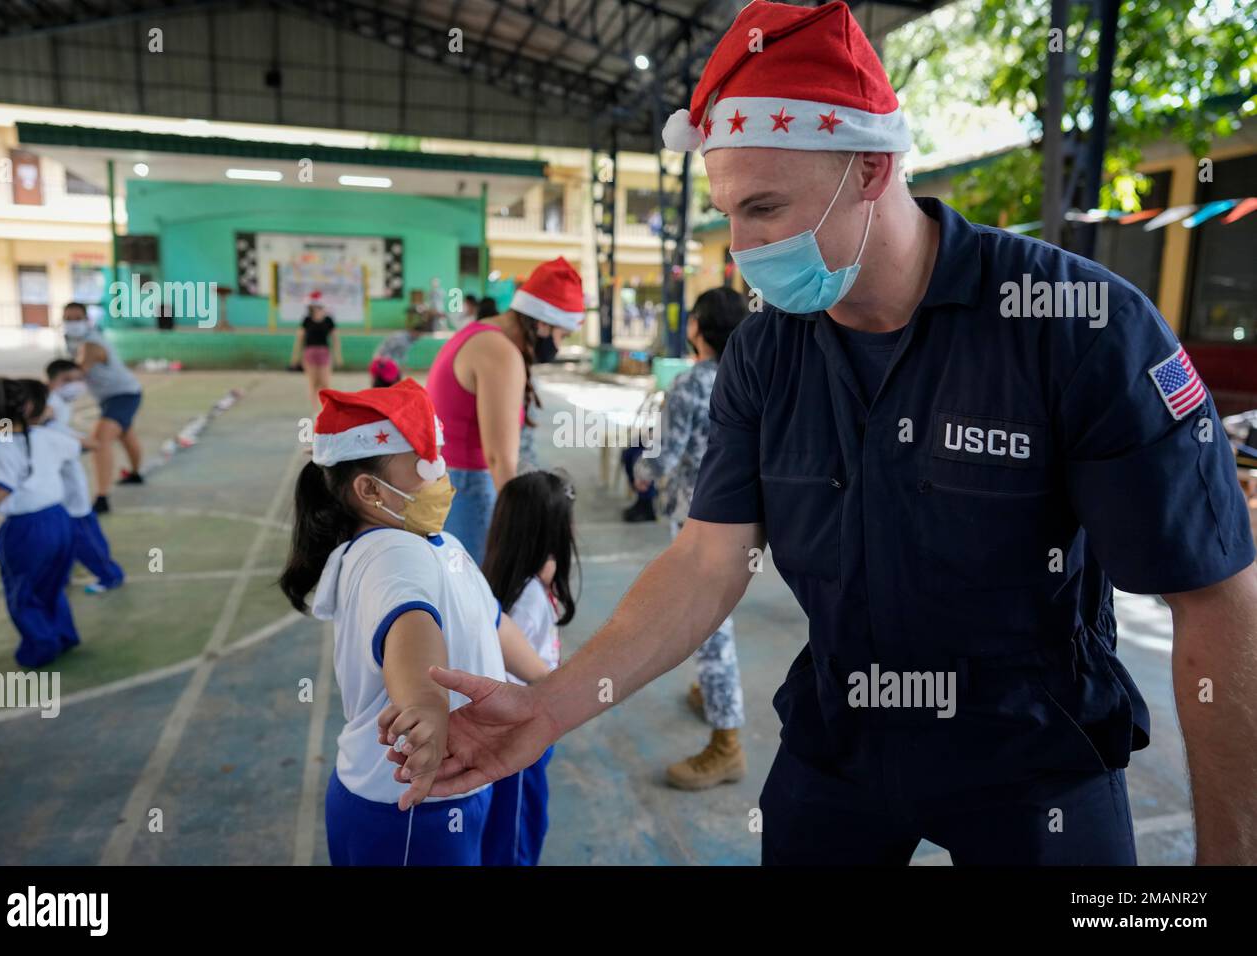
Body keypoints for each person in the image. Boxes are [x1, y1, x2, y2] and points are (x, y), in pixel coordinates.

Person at [379, 0, 1257, 866]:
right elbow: (705, 562)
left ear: (872, 170)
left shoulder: (1077, 326)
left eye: (763, 208)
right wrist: (547, 708)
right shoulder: (768, 353)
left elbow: (1214, 599)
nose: (740, 247)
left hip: (1037, 753)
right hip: (844, 735)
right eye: (728, 212)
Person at [278, 380, 547, 866]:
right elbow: (410, 625)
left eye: (440, 457)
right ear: (369, 490)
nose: (443, 476)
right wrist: (425, 707)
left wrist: (551, 686)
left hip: (456, 777)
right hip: (409, 806)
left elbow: (492, 622)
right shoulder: (388, 552)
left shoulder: (439, 543)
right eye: (426, 465)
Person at [631, 287, 748, 789]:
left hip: (699, 521)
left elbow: (664, 456)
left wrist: (641, 470)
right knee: (719, 611)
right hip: (746, 521)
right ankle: (709, 693)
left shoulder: (689, 385)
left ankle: (727, 745)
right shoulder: (750, 376)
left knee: (709, 627)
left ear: (699, 327)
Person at [426, 256, 583, 564]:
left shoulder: (481, 333)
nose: (559, 346)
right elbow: (500, 459)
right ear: (541, 322)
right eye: (561, 335)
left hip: (447, 485)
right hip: (468, 491)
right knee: (483, 601)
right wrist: (527, 532)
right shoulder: (500, 353)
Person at [478, 469, 579, 866]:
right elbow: (501, 672)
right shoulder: (529, 599)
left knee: (517, 823)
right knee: (517, 833)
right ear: (550, 533)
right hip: (520, 731)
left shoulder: (517, 582)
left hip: (524, 727)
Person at [0, 378, 81, 667]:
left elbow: (2, 489)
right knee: (52, 586)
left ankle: (41, 646)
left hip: (26, 530)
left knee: (23, 591)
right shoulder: (46, 436)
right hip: (60, 521)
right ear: (28, 406)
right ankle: (63, 635)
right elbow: (81, 445)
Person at [43, 361, 125, 594]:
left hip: (67, 481)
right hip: (56, 480)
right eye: (67, 380)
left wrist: (80, 440)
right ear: (52, 381)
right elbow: (51, 428)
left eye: (78, 379)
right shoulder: (50, 404)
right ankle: (63, 573)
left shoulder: (58, 403)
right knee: (63, 534)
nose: (75, 386)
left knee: (82, 532)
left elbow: (57, 432)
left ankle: (109, 576)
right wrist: (82, 440)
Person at [63, 302, 143, 515]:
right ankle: (135, 474)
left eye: (77, 318)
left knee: (100, 438)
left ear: (86, 320)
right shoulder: (72, 341)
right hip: (109, 397)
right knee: (125, 434)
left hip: (124, 394)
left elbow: (77, 373)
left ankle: (102, 497)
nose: (72, 323)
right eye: (68, 319)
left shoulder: (91, 344)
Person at [289, 291, 343, 414]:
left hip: (324, 353)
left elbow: (335, 339)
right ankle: (315, 410)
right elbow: (299, 339)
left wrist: (338, 356)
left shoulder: (328, 320)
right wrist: (295, 357)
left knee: (325, 383)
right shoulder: (307, 320)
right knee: (313, 383)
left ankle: (326, 408)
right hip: (310, 353)